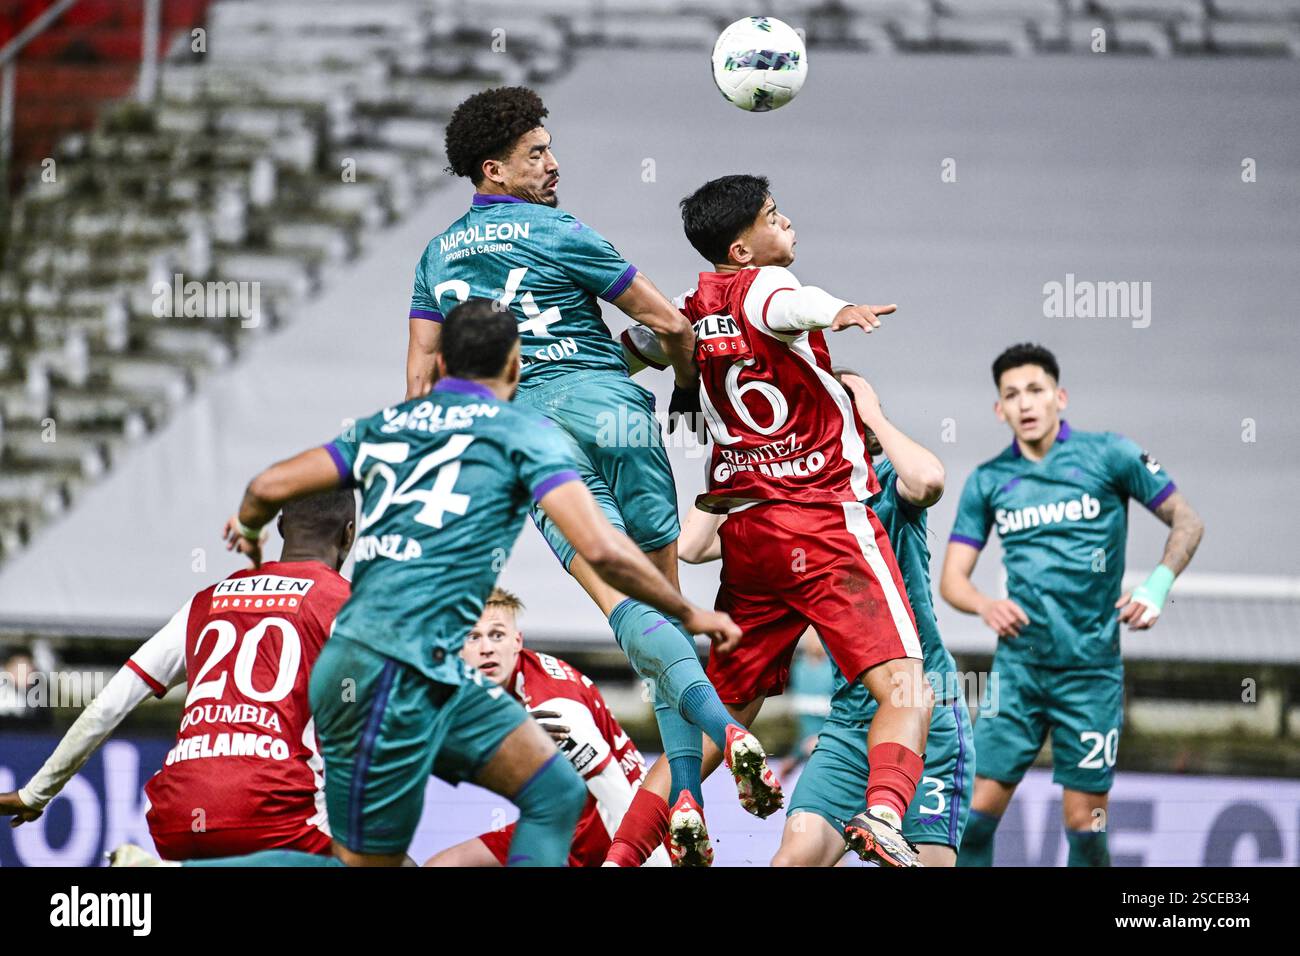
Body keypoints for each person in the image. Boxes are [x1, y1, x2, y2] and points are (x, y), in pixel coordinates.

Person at [118, 299, 739, 868]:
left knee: (546, 792)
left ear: (440, 364)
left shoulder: (385, 426)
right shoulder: (523, 436)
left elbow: (268, 485)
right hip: (413, 671)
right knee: (536, 802)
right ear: (515, 367)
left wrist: (252, 528)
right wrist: (686, 610)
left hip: (353, 670)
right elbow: (601, 548)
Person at [403, 87, 778, 838]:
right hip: (616, 411)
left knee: (628, 612)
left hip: (530, 433)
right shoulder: (561, 231)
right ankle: (688, 799)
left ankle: (727, 737)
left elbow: (419, 384)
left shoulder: (435, 257)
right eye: (536, 153)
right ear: (494, 169)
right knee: (666, 606)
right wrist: (683, 392)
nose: (554, 164)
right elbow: (672, 325)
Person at [607, 174, 931, 867]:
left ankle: (622, 858)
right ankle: (882, 813)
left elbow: (629, 351)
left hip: (749, 535)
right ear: (741, 249)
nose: (787, 224)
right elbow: (791, 305)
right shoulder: (767, 287)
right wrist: (839, 310)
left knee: (714, 726)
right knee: (908, 688)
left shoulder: (687, 310)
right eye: (773, 216)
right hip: (822, 519)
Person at [939, 343, 1204, 867]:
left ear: (1059, 397)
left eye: (1035, 390)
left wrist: (1156, 586)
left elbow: (1188, 521)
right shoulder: (989, 481)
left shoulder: (1111, 455)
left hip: (1090, 673)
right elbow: (952, 580)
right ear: (999, 409)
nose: (1025, 403)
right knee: (973, 817)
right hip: (1018, 673)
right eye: (1012, 394)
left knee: (1085, 827)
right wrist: (985, 605)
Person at [0, 490, 356, 860]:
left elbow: (109, 703)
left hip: (179, 815)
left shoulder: (207, 600)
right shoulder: (347, 604)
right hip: (277, 815)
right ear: (349, 534)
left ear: (280, 525)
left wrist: (36, 793)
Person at [774, 371, 973, 867]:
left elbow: (928, 479)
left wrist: (874, 416)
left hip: (924, 714)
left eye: (838, 414)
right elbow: (695, 547)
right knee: (792, 860)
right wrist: (740, 449)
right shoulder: (799, 507)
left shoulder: (887, 489)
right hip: (849, 723)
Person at [424, 588, 668, 867]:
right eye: (473, 637)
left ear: (517, 641)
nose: (487, 648)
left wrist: (634, 859)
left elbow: (613, 788)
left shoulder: (555, 710)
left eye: (497, 635)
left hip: (605, 826)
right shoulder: (477, 685)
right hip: (569, 814)